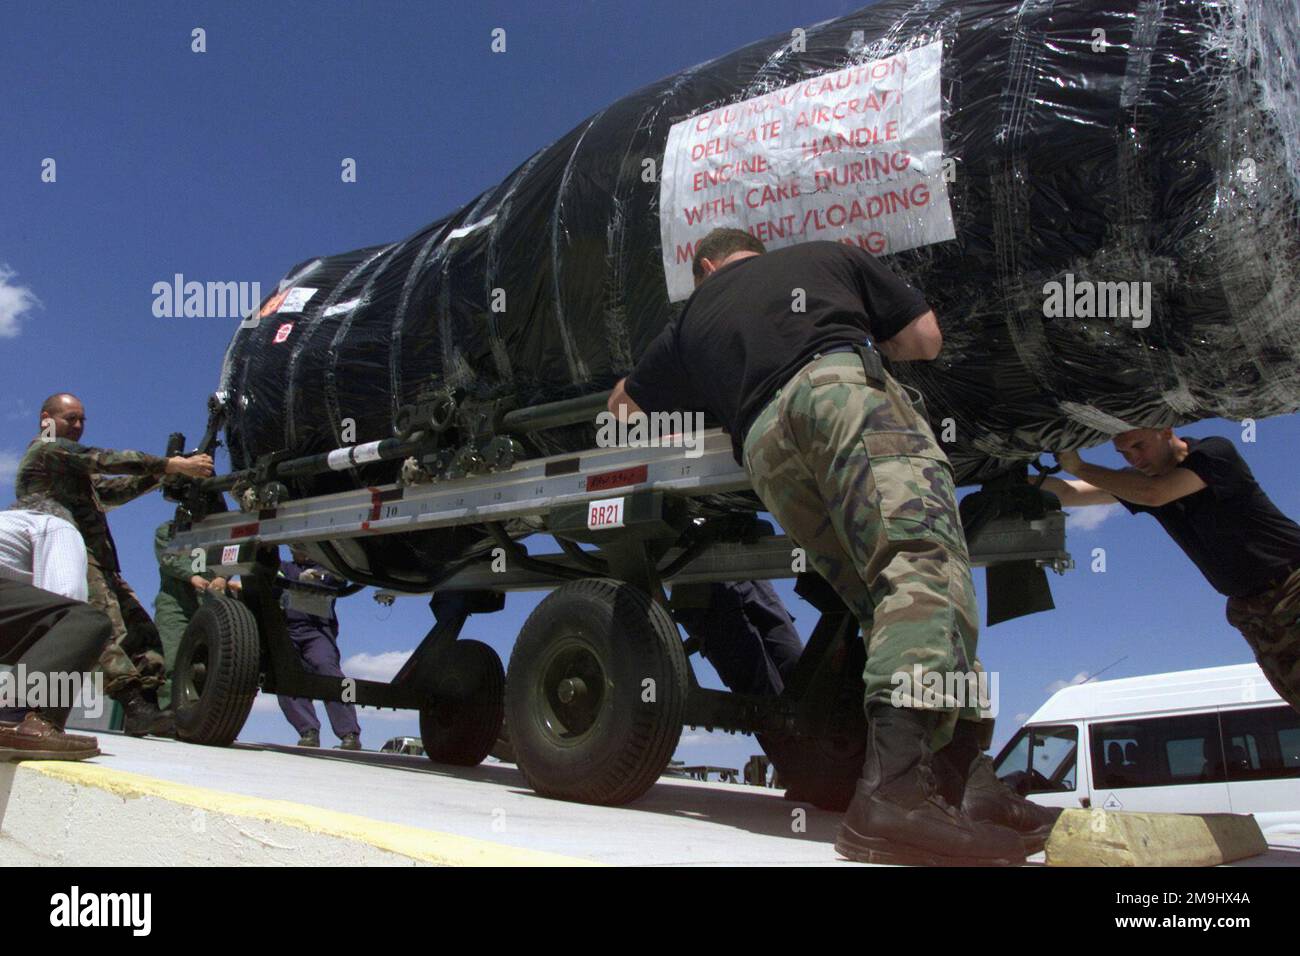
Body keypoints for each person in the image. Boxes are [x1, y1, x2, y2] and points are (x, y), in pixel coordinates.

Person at [610, 228, 1054, 865]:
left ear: (705, 266)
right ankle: (898, 796)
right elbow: (924, 339)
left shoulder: (690, 322)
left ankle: (959, 785)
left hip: (765, 448)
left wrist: (711, 381)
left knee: (886, 605)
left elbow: (623, 406)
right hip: (843, 398)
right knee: (920, 573)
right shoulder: (825, 255)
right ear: (756, 252)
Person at [1046, 428, 1300, 712]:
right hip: (1252, 611)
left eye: (1138, 446)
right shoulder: (1143, 483)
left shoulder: (1214, 452)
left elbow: (1156, 494)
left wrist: (1079, 466)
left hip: (1292, 586)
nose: (1134, 459)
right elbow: (1069, 492)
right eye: (1124, 454)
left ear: (1165, 430)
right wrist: (1009, 482)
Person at [14, 392, 214, 736]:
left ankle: (150, 708)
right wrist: (171, 465)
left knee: (141, 632)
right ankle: (132, 704)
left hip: (100, 561)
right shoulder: (47, 450)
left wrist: (163, 476)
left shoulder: (71, 470)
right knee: (102, 628)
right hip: (66, 556)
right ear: (47, 419)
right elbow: (103, 459)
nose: (77, 426)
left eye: (82, 420)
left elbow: (111, 493)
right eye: (70, 418)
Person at [0, 495, 108, 760]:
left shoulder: (8, 525)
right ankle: (15, 717)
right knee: (86, 621)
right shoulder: (54, 524)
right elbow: (68, 597)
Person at [276, 548, 362, 750]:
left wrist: (318, 577)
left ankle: (350, 733)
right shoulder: (285, 568)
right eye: (296, 547)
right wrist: (299, 577)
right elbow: (273, 576)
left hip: (317, 631)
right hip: (289, 629)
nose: (301, 550)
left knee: (330, 672)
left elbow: (339, 580)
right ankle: (308, 731)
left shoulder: (326, 569)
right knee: (286, 677)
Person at [152, 520, 239, 710]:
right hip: (175, 603)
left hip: (209, 604)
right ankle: (169, 711)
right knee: (172, 659)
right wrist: (191, 576)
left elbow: (233, 554)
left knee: (209, 663)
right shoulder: (169, 530)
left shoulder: (221, 529)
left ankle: (197, 713)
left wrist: (223, 576)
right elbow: (167, 558)